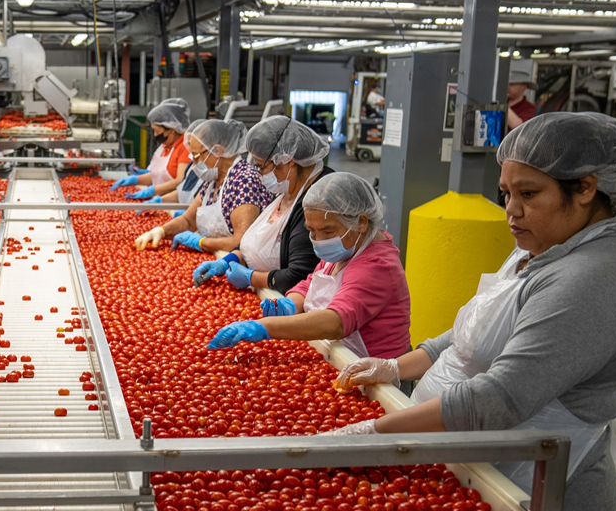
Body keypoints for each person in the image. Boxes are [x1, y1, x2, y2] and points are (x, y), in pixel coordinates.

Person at [332, 112, 616, 511]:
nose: (511, 211)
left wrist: (376, 431)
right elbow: (474, 329)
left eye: (528, 193)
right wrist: (396, 367)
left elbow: (503, 397)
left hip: (536, 487)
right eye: (506, 193)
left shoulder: (599, 275)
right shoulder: (547, 242)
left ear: (585, 188)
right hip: (478, 465)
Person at [207, 172, 410, 360]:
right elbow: (313, 282)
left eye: (327, 232)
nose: (318, 240)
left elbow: (336, 322)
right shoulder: (347, 246)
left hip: (377, 370)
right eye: (311, 231)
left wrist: (265, 327)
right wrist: (291, 304)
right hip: (342, 356)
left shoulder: (376, 265)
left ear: (362, 222)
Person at [192, 115, 330, 293]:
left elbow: (299, 275)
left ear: (287, 161)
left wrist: (251, 277)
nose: (258, 174)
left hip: (289, 297)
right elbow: (257, 237)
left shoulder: (318, 201)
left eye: (261, 167)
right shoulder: (286, 188)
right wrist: (230, 259)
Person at [131, 119, 271, 257]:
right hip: (215, 256)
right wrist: (161, 231)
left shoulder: (245, 181)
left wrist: (202, 242)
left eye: (197, 157)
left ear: (217, 151)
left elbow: (241, 242)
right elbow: (188, 221)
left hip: (235, 263)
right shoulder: (213, 181)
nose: (194, 164)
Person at [109, 99, 191, 202]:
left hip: (173, 202)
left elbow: (180, 181)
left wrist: (153, 190)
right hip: (161, 200)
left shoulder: (185, 147)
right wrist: (136, 180)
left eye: (157, 131)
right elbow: (158, 177)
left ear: (172, 130)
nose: (155, 135)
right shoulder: (166, 144)